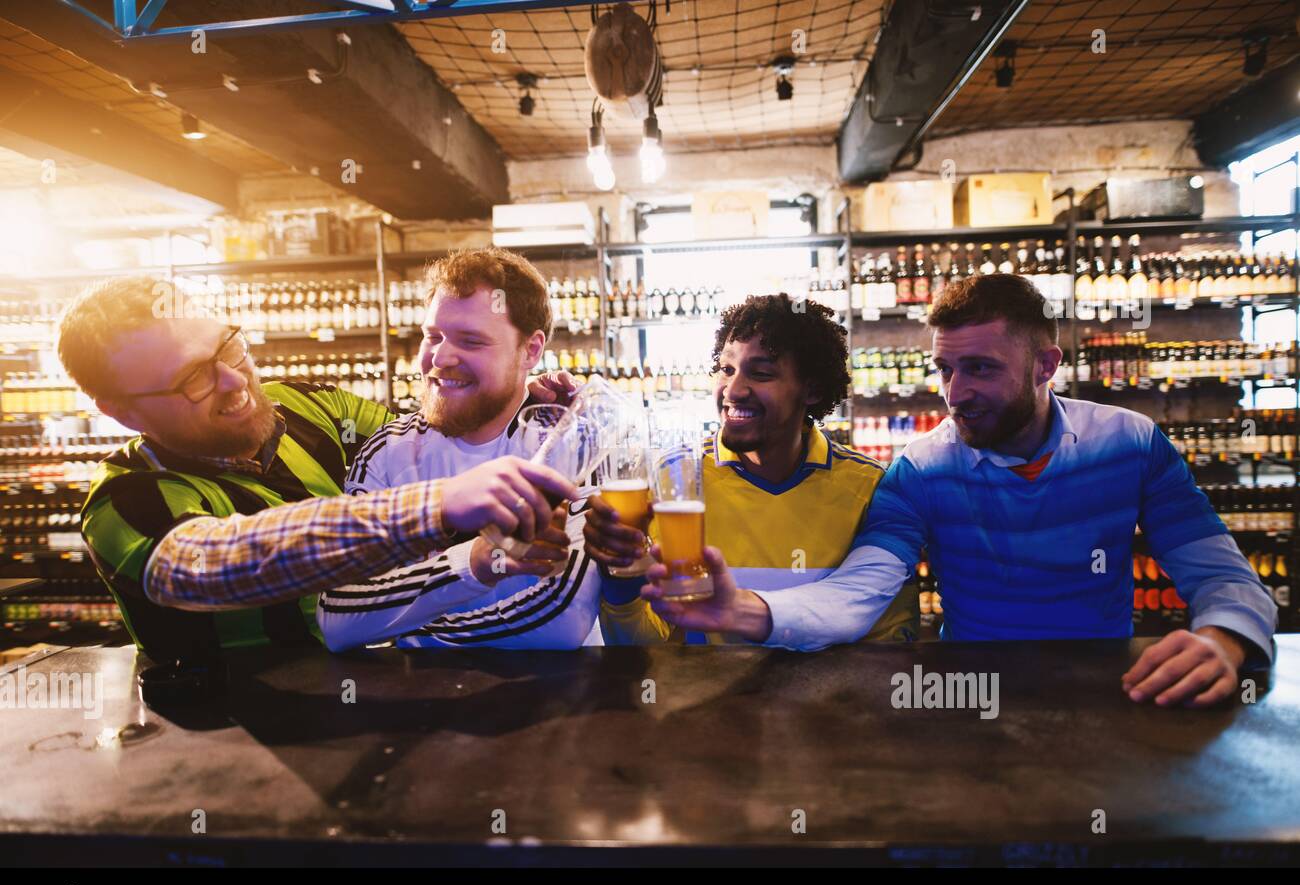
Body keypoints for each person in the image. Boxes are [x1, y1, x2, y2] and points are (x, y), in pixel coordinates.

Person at [634, 274, 1276, 707]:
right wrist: (746, 613)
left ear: (1045, 366)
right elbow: (859, 595)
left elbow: (1221, 573)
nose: (956, 392)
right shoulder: (921, 471)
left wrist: (1223, 638)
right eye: (944, 368)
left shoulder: (1129, 443)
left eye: (981, 368)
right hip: (970, 696)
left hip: (1114, 686)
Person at [58, 276, 576, 665]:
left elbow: (431, 436)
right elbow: (217, 563)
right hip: (231, 736)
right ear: (122, 412)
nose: (233, 382)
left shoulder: (306, 408)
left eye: (227, 347)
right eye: (193, 378)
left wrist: (514, 396)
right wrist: (437, 505)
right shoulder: (125, 501)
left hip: (373, 693)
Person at [580, 293, 917, 644]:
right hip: (708, 695)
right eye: (727, 369)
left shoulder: (869, 486)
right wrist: (621, 585)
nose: (734, 390)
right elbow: (644, 647)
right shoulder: (673, 478)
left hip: (829, 697)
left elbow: (889, 637)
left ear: (812, 390)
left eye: (761, 373)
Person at [316, 248, 601, 650]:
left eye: (471, 340)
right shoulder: (388, 452)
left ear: (531, 350)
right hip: (422, 705)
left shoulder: (567, 443)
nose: (441, 357)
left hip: (559, 703)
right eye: (432, 336)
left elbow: (560, 620)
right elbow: (338, 614)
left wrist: (410, 632)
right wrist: (474, 562)